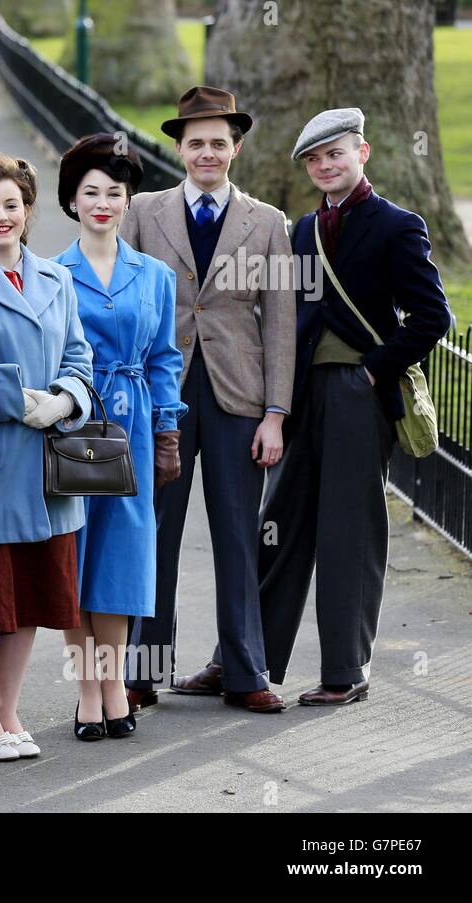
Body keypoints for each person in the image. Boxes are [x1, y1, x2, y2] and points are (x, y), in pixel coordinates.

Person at [259, 108, 452, 705]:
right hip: (300, 395)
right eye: (314, 159)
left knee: (348, 531)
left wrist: (374, 369)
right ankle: (249, 661)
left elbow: (432, 317)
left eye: (334, 154)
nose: (324, 165)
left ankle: (347, 672)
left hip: (357, 393)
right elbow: (287, 316)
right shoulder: (300, 232)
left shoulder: (398, 225)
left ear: (361, 153)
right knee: (277, 524)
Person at [119, 87, 295, 714]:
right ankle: (141, 671)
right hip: (158, 391)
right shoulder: (143, 211)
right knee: (152, 531)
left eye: (219, 143)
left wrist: (276, 414)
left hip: (237, 395)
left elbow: (279, 322)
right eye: (196, 143)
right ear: (179, 148)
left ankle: (245, 672)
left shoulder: (269, 222)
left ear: (236, 149)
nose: (208, 152)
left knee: (238, 536)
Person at [0, 153, 93, 761]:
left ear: (28, 209)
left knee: (35, 597)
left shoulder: (57, 278)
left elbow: (81, 357)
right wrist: (17, 397)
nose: (1, 216)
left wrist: (64, 399)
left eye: (12, 204)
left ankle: (8, 709)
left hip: (51, 468)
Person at [52, 134, 186, 741]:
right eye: (90, 193)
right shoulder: (52, 274)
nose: (103, 203)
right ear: (72, 202)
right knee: (75, 558)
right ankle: (87, 691)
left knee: (122, 563)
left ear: (128, 201)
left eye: (114, 192)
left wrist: (166, 429)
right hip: (75, 428)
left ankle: (115, 685)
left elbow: (164, 357)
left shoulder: (154, 274)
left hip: (130, 429)